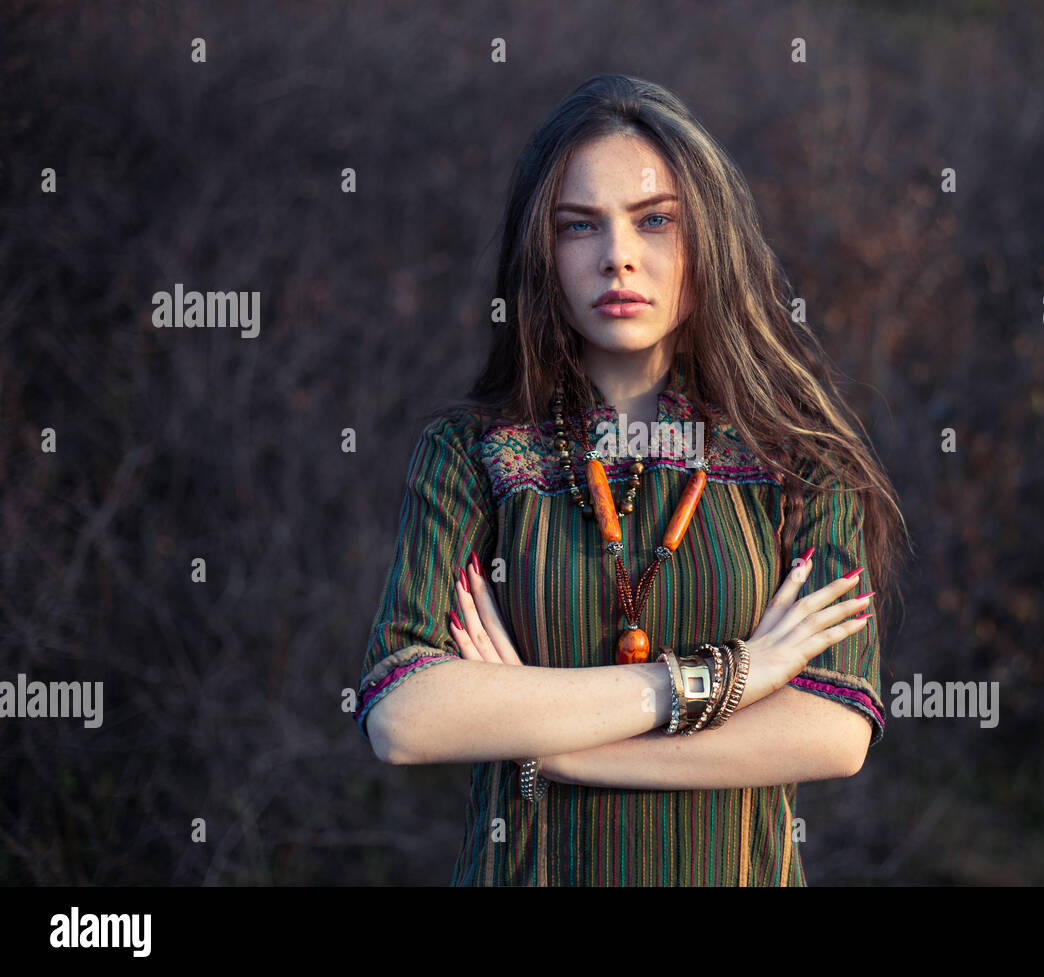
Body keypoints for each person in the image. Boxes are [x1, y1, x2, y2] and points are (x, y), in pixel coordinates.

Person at [355, 73, 907, 885]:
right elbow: (403, 714)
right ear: (543, 250)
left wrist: (563, 749)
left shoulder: (802, 456)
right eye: (580, 226)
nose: (619, 254)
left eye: (656, 221)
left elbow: (831, 730)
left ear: (709, 237)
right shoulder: (472, 452)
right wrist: (726, 678)